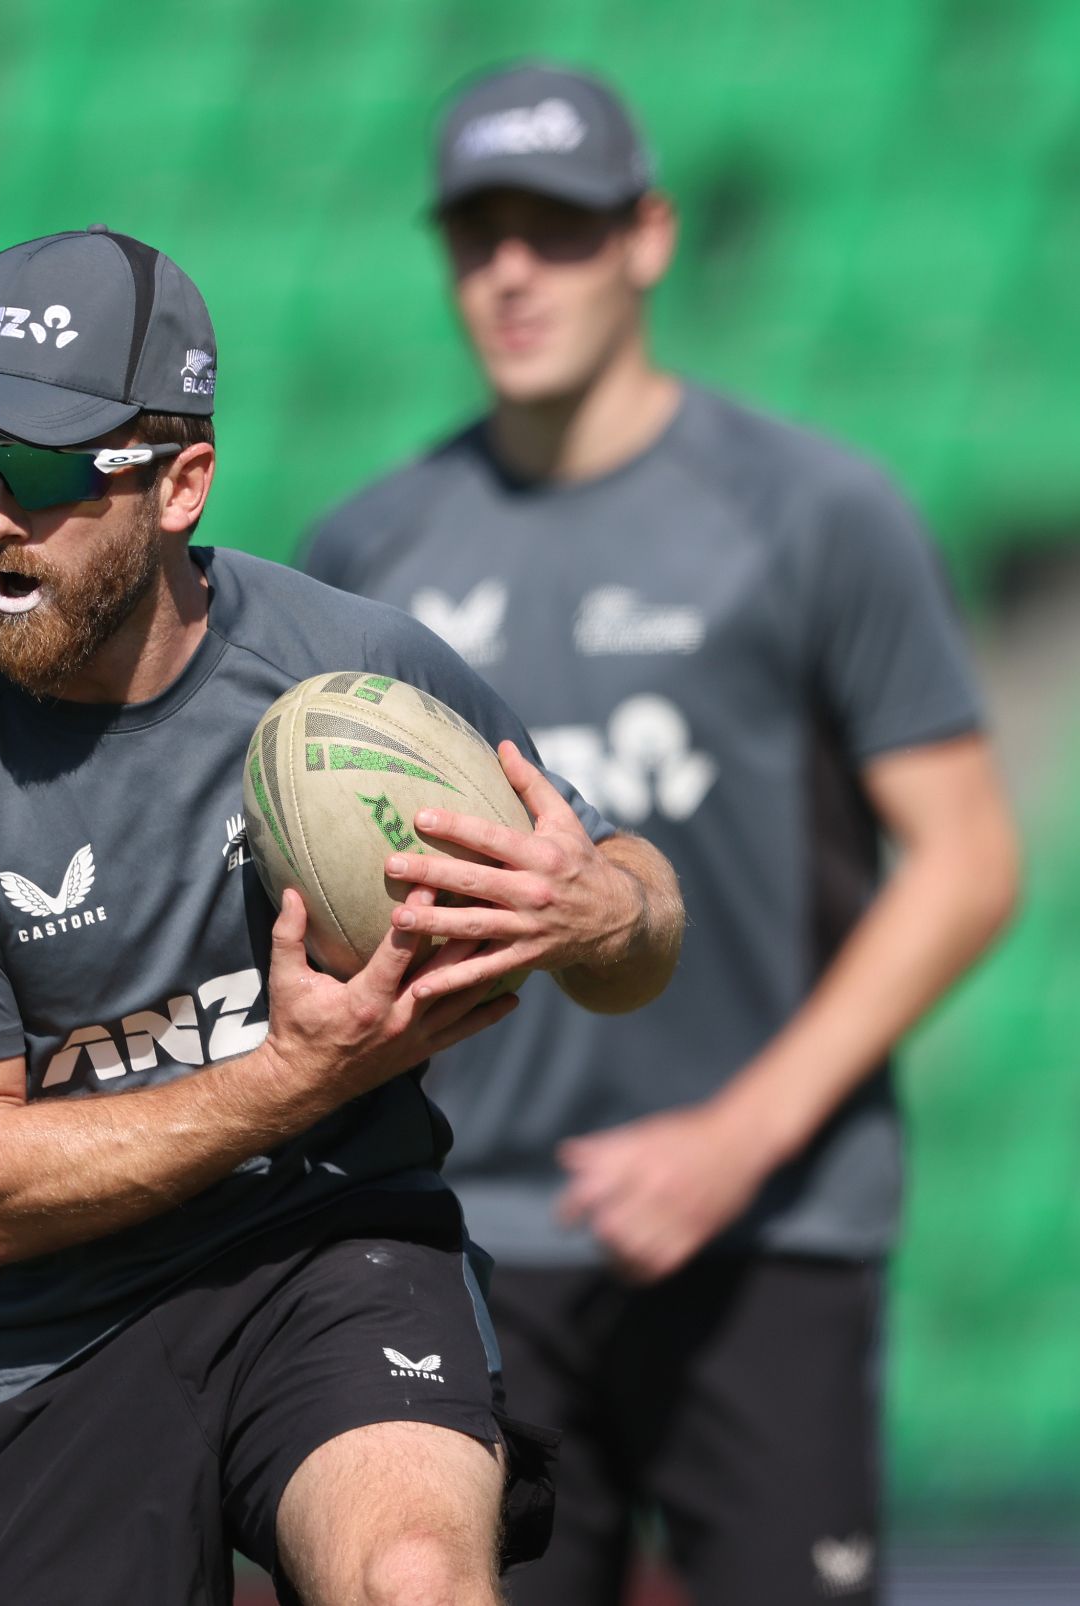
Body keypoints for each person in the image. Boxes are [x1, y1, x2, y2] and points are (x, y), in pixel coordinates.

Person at [0, 223, 683, 1606]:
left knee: (416, 1581)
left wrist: (594, 910)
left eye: (42, 472)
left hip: (332, 1242)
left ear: (182, 481)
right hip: (47, 1333)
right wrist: (291, 1074)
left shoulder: (358, 674)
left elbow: (640, 934)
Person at [301, 64, 1020, 1606]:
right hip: (471, 1233)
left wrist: (738, 1137)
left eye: (556, 228)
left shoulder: (816, 513)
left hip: (766, 1225)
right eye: (478, 231)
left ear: (648, 237)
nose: (512, 269)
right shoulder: (371, 548)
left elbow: (968, 859)